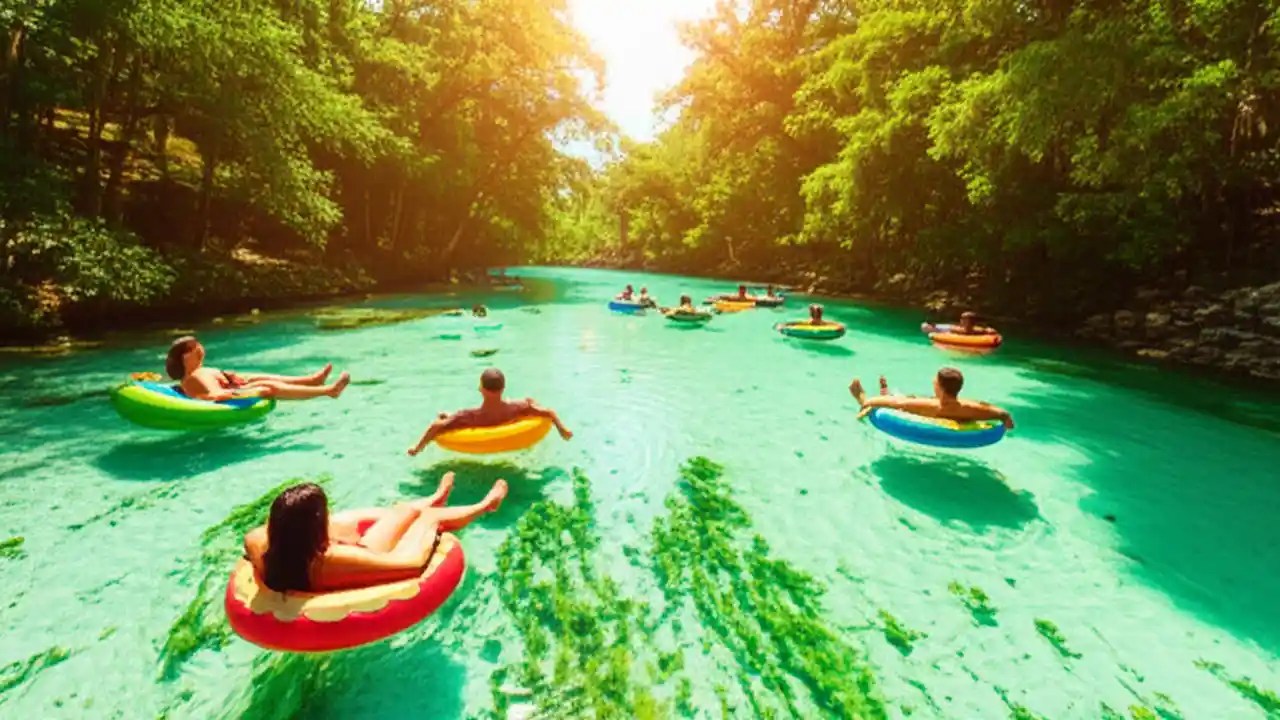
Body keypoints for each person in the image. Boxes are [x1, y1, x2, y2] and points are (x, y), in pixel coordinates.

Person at [242, 474, 507, 593]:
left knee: (402, 511)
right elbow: (411, 567)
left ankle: (435, 497)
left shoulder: (260, 546)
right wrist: (426, 531)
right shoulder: (328, 561)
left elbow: (257, 535)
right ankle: (485, 505)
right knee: (430, 518)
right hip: (370, 559)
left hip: (344, 552)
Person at [407, 368, 572, 455]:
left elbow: (437, 426)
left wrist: (418, 447)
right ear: (503, 388)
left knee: (444, 416)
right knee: (530, 400)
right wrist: (562, 429)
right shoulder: (516, 408)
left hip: (479, 422)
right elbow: (548, 412)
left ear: (481, 389)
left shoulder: (470, 416)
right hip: (507, 420)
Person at [166, 336, 350, 402]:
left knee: (255, 377)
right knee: (267, 386)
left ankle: (311, 381)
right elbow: (212, 396)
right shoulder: (194, 377)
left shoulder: (202, 371)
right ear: (185, 357)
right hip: (229, 396)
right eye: (194, 347)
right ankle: (329, 391)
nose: (200, 349)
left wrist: (231, 379)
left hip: (230, 387)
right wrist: (251, 392)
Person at [849, 367, 1014, 429]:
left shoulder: (928, 406)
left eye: (935, 382)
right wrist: (1006, 423)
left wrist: (866, 400)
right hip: (958, 415)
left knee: (885, 400)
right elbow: (1003, 414)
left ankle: (861, 394)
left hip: (928, 416)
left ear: (940, 388)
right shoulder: (971, 408)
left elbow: (899, 403)